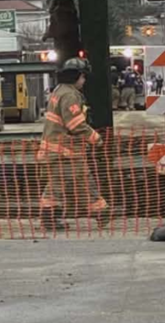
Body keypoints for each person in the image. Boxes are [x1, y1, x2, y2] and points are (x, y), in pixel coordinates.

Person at [37, 57, 107, 231]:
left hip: (63, 150)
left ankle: (102, 213)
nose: (84, 81)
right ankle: (51, 219)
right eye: (83, 77)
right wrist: (95, 138)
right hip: (64, 151)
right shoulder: (70, 95)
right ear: (77, 76)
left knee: (81, 181)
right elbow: (75, 124)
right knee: (60, 184)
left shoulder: (60, 90)